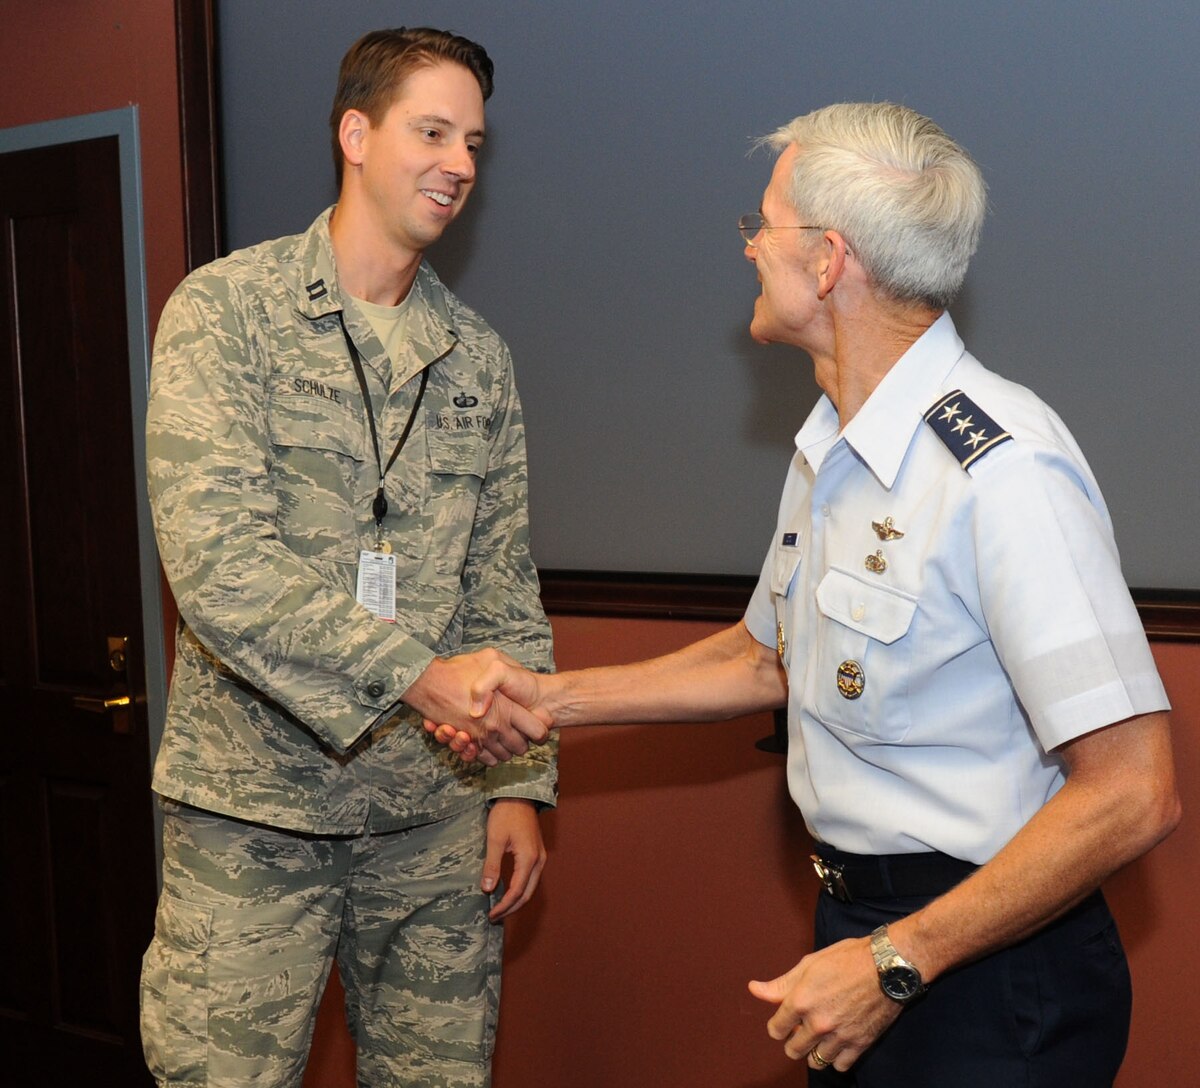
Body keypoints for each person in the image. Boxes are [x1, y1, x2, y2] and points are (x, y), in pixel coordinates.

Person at [431, 102, 1180, 1086]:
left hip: (986, 966)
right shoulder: (835, 441)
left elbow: (1135, 789)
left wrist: (896, 959)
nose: (748, 250)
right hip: (866, 934)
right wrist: (549, 699)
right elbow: (767, 657)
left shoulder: (1001, 469)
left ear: (829, 261)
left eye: (762, 226)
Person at [140, 27, 555, 1088]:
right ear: (356, 133)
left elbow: (503, 582)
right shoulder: (228, 311)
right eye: (432, 130)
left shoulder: (479, 360)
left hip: (432, 821)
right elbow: (221, 567)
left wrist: (523, 785)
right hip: (252, 816)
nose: (460, 162)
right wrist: (421, 674)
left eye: (474, 141)